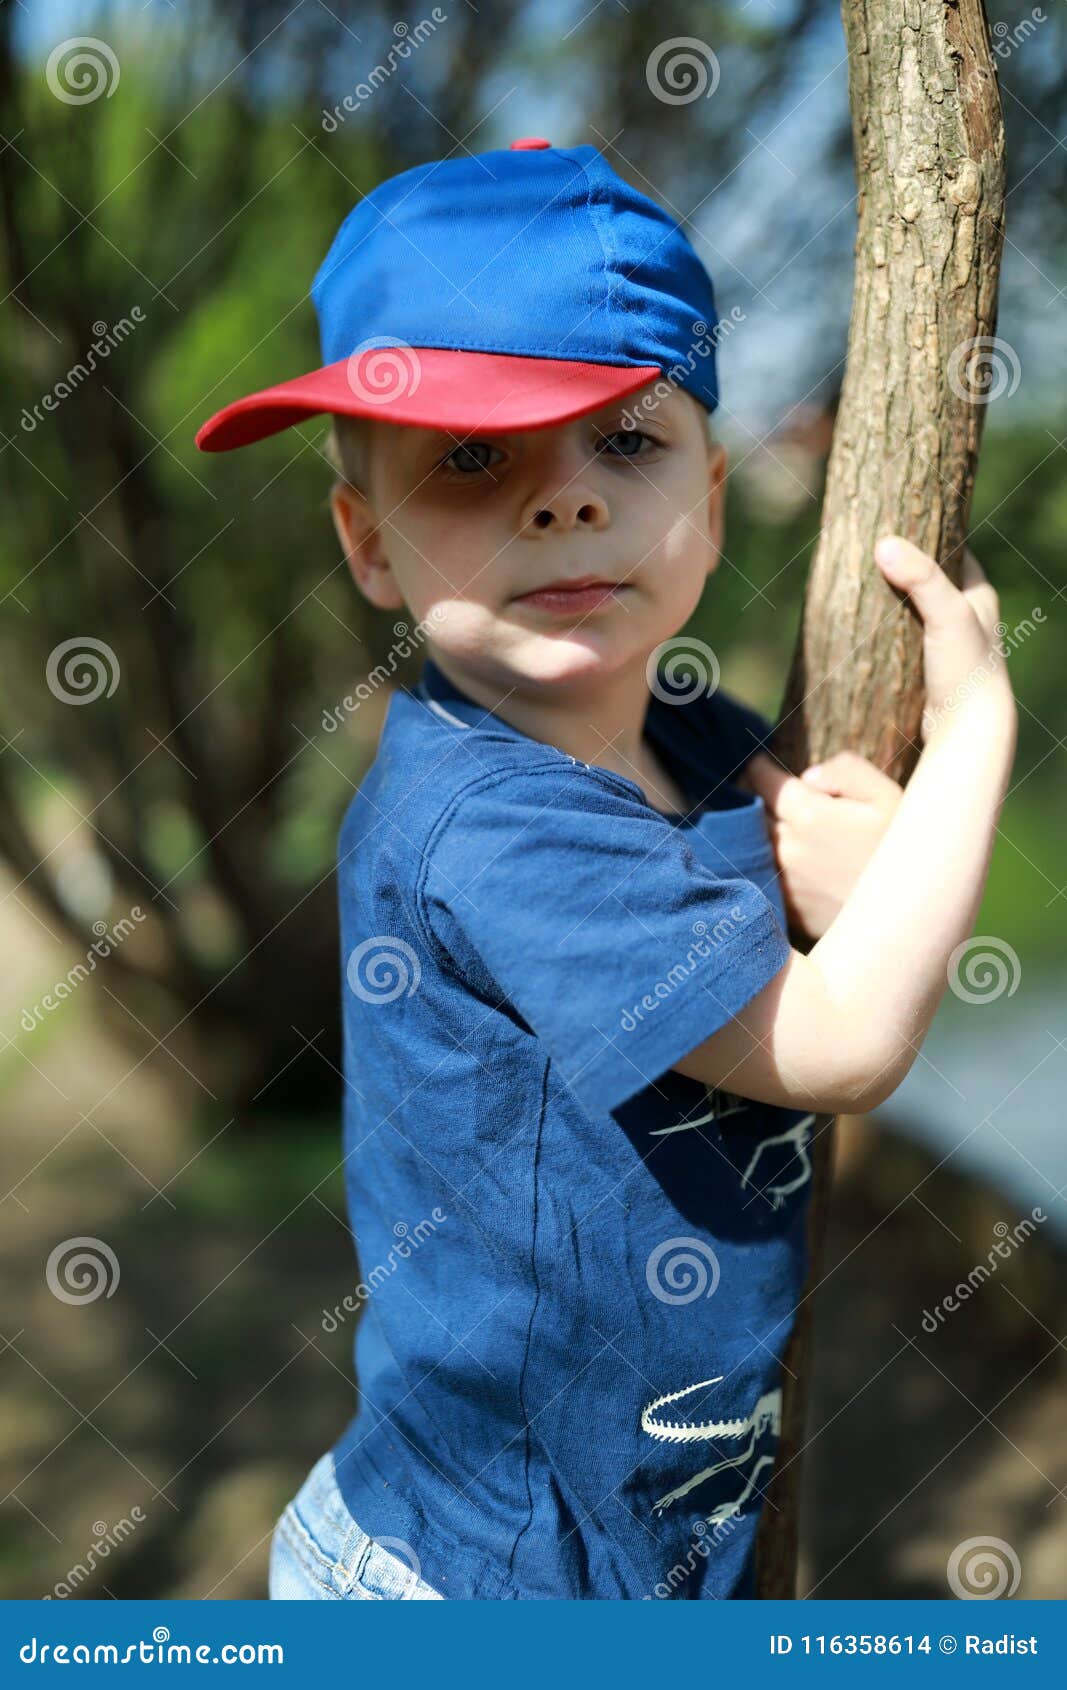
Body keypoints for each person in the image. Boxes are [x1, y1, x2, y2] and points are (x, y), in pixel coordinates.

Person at [196, 140, 1017, 1600]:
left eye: (623, 443)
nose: (565, 499)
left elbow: (851, 897)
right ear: (365, 542)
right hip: (473, 1587)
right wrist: (978, 739)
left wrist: (872, 866)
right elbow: (837, 1036)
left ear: (708, 492)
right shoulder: (487, 820)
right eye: (470, 457)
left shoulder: (695, 739)